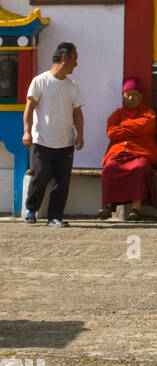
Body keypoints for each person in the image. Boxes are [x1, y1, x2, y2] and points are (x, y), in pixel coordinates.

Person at [22, 42, 84, 227]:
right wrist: (26, 131)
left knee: (61, 182)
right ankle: (31, 209)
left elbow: (77, 113)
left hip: (65, 142)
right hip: (42, 140)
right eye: (75, 58)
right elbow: (29, 107)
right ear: (64, 58)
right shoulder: (40, 81)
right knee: (40, 175)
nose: (76, 64)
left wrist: (80, 134)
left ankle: (55, 217)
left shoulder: (72, 86)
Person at [98, 78, 157, 221]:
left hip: (140, 153)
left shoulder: (148, 112)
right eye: (127, 95)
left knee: (140, 167)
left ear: (141, 96)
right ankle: (107, 206)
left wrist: (123, 126)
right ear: (123, 97)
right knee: (110, 168)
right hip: (118, 153)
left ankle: (135, 209)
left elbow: (148, 126)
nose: (131, 98)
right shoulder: (116, 115)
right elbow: (111, 133)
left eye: (134, 94)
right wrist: (136, 129)